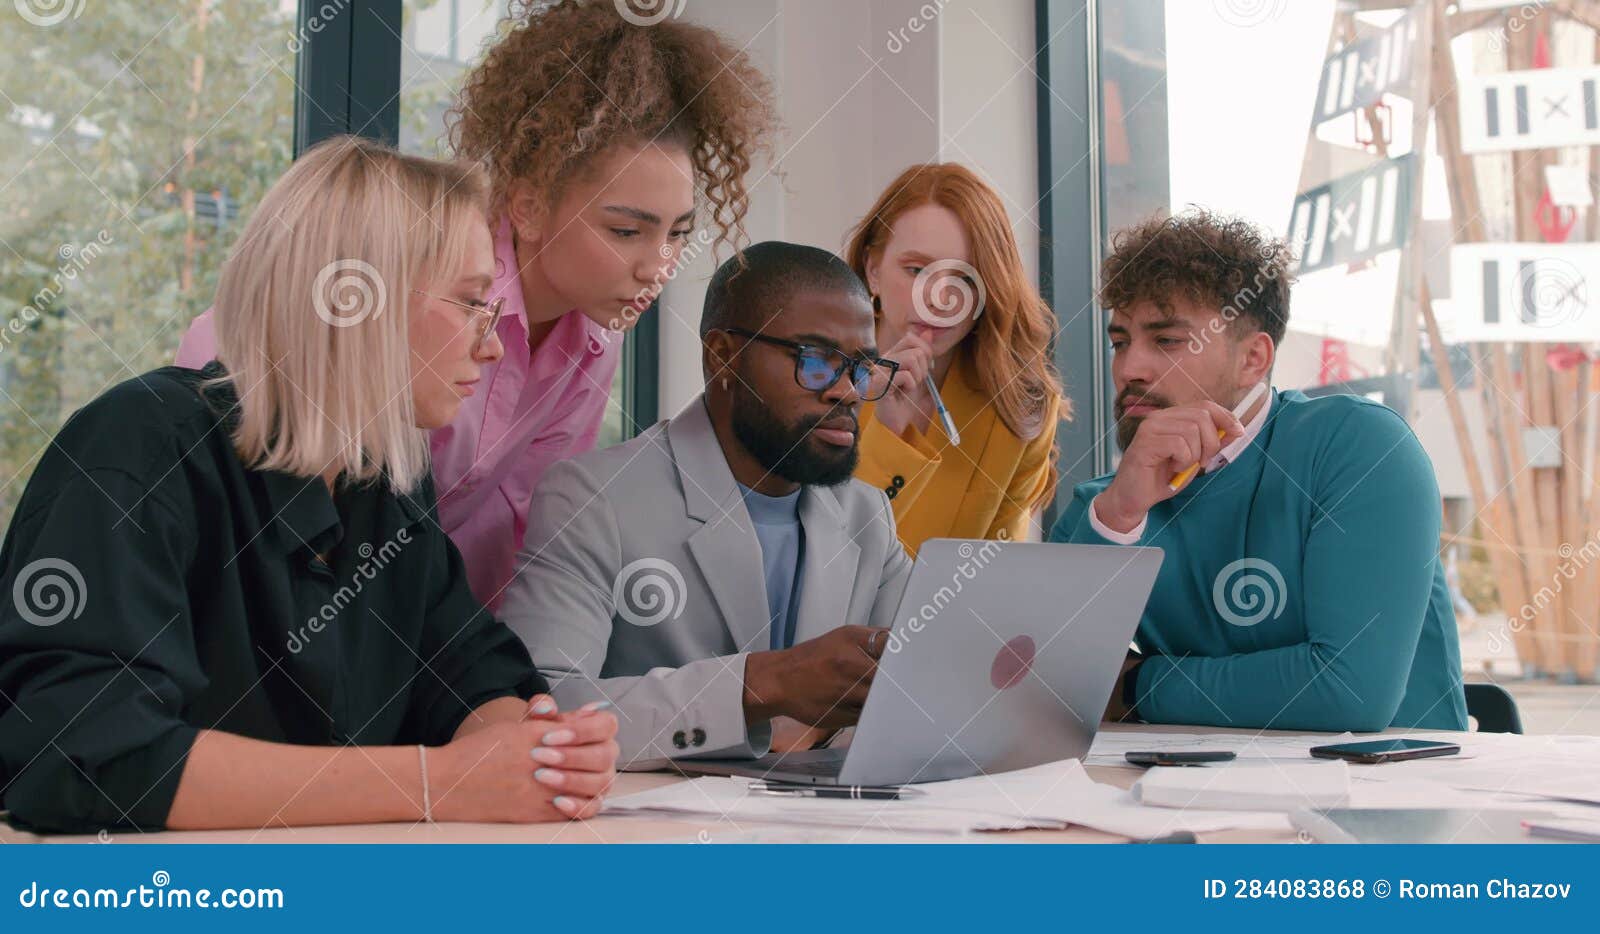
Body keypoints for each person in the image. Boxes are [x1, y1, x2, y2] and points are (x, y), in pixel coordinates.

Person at [0, 138, 618, 834]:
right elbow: (84, 755)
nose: (494, 342)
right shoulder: (137, 445)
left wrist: (537, 754)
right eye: (473, 302)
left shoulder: (385, 482)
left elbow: (474, 673)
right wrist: (439, 782)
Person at [175, 0, 779, 611]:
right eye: (626, 231)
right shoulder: (428, 269)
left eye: (678, 233)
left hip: (415, 626)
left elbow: (523, 526)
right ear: (530, 205)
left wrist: (490, 682)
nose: (660, 267)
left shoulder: (596, 335)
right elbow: (240, 388)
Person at [498, 242, 914, 768]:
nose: (848, 393)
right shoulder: (592, 498)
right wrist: (764, 684)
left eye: (861, 367)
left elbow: (919, 692)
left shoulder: (866, 515)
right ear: (724, 355)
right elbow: (538, 710)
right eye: (816, 362)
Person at [1049, 210, 1467, 733]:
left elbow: (1349, 694)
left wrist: (1135, 687)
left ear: (1252, 358)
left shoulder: (1357, 447)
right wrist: (1121, 512)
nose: (1130, 367)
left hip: (1388, 797)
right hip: (1182, 801)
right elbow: (1047, 694)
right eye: (1120, 342)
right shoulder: (1104, 509)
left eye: (1167, 340)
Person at [845, 163, 1065, 556]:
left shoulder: (1020, 405)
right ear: (873, 271)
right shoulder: (815, 380)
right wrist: (888, 436)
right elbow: (822, 557)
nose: (938, 298)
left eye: (964, 278)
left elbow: (994, 577)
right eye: (916, 269)